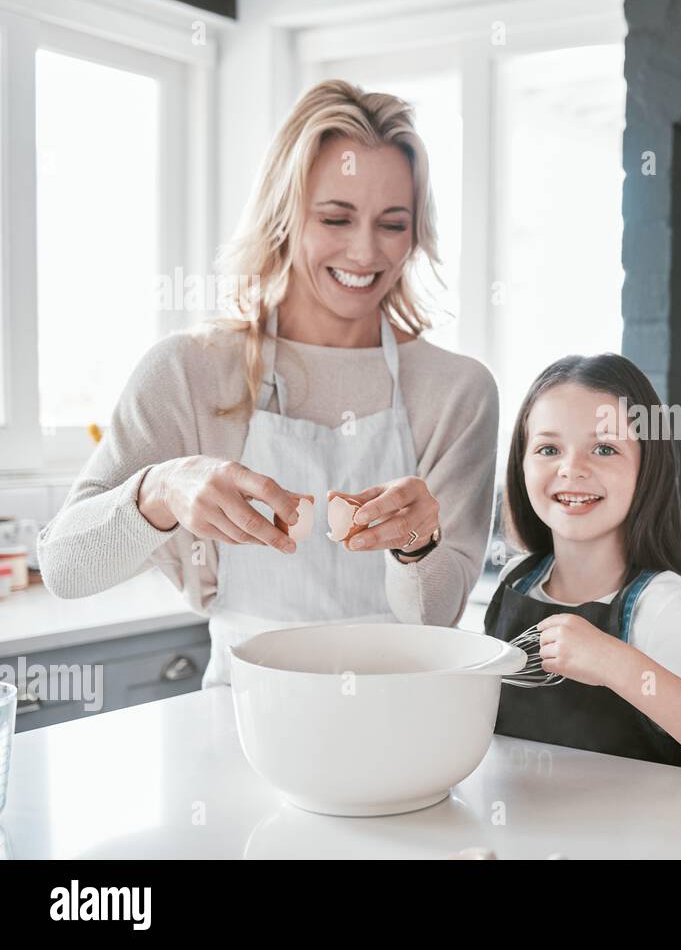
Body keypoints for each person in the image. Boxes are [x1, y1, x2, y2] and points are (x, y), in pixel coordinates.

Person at [38, 80, 498, 688]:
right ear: (284, 216)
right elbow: (65, 568)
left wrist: (414, 546)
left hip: (401, 713)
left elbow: (433, 617)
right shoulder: (190, 371)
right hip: (240, 718)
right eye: (336, 217)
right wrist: (161, 491)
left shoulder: (458, 391)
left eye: (392, 223)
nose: (364, 252)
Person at [483, 354, 681, 774]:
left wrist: (612, 661)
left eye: (604, 448)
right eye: (548, 448)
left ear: (647, 466)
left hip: (632, 838)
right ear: (521, 463)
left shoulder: (661, 604)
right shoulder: (517, 580)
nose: (572, 469)